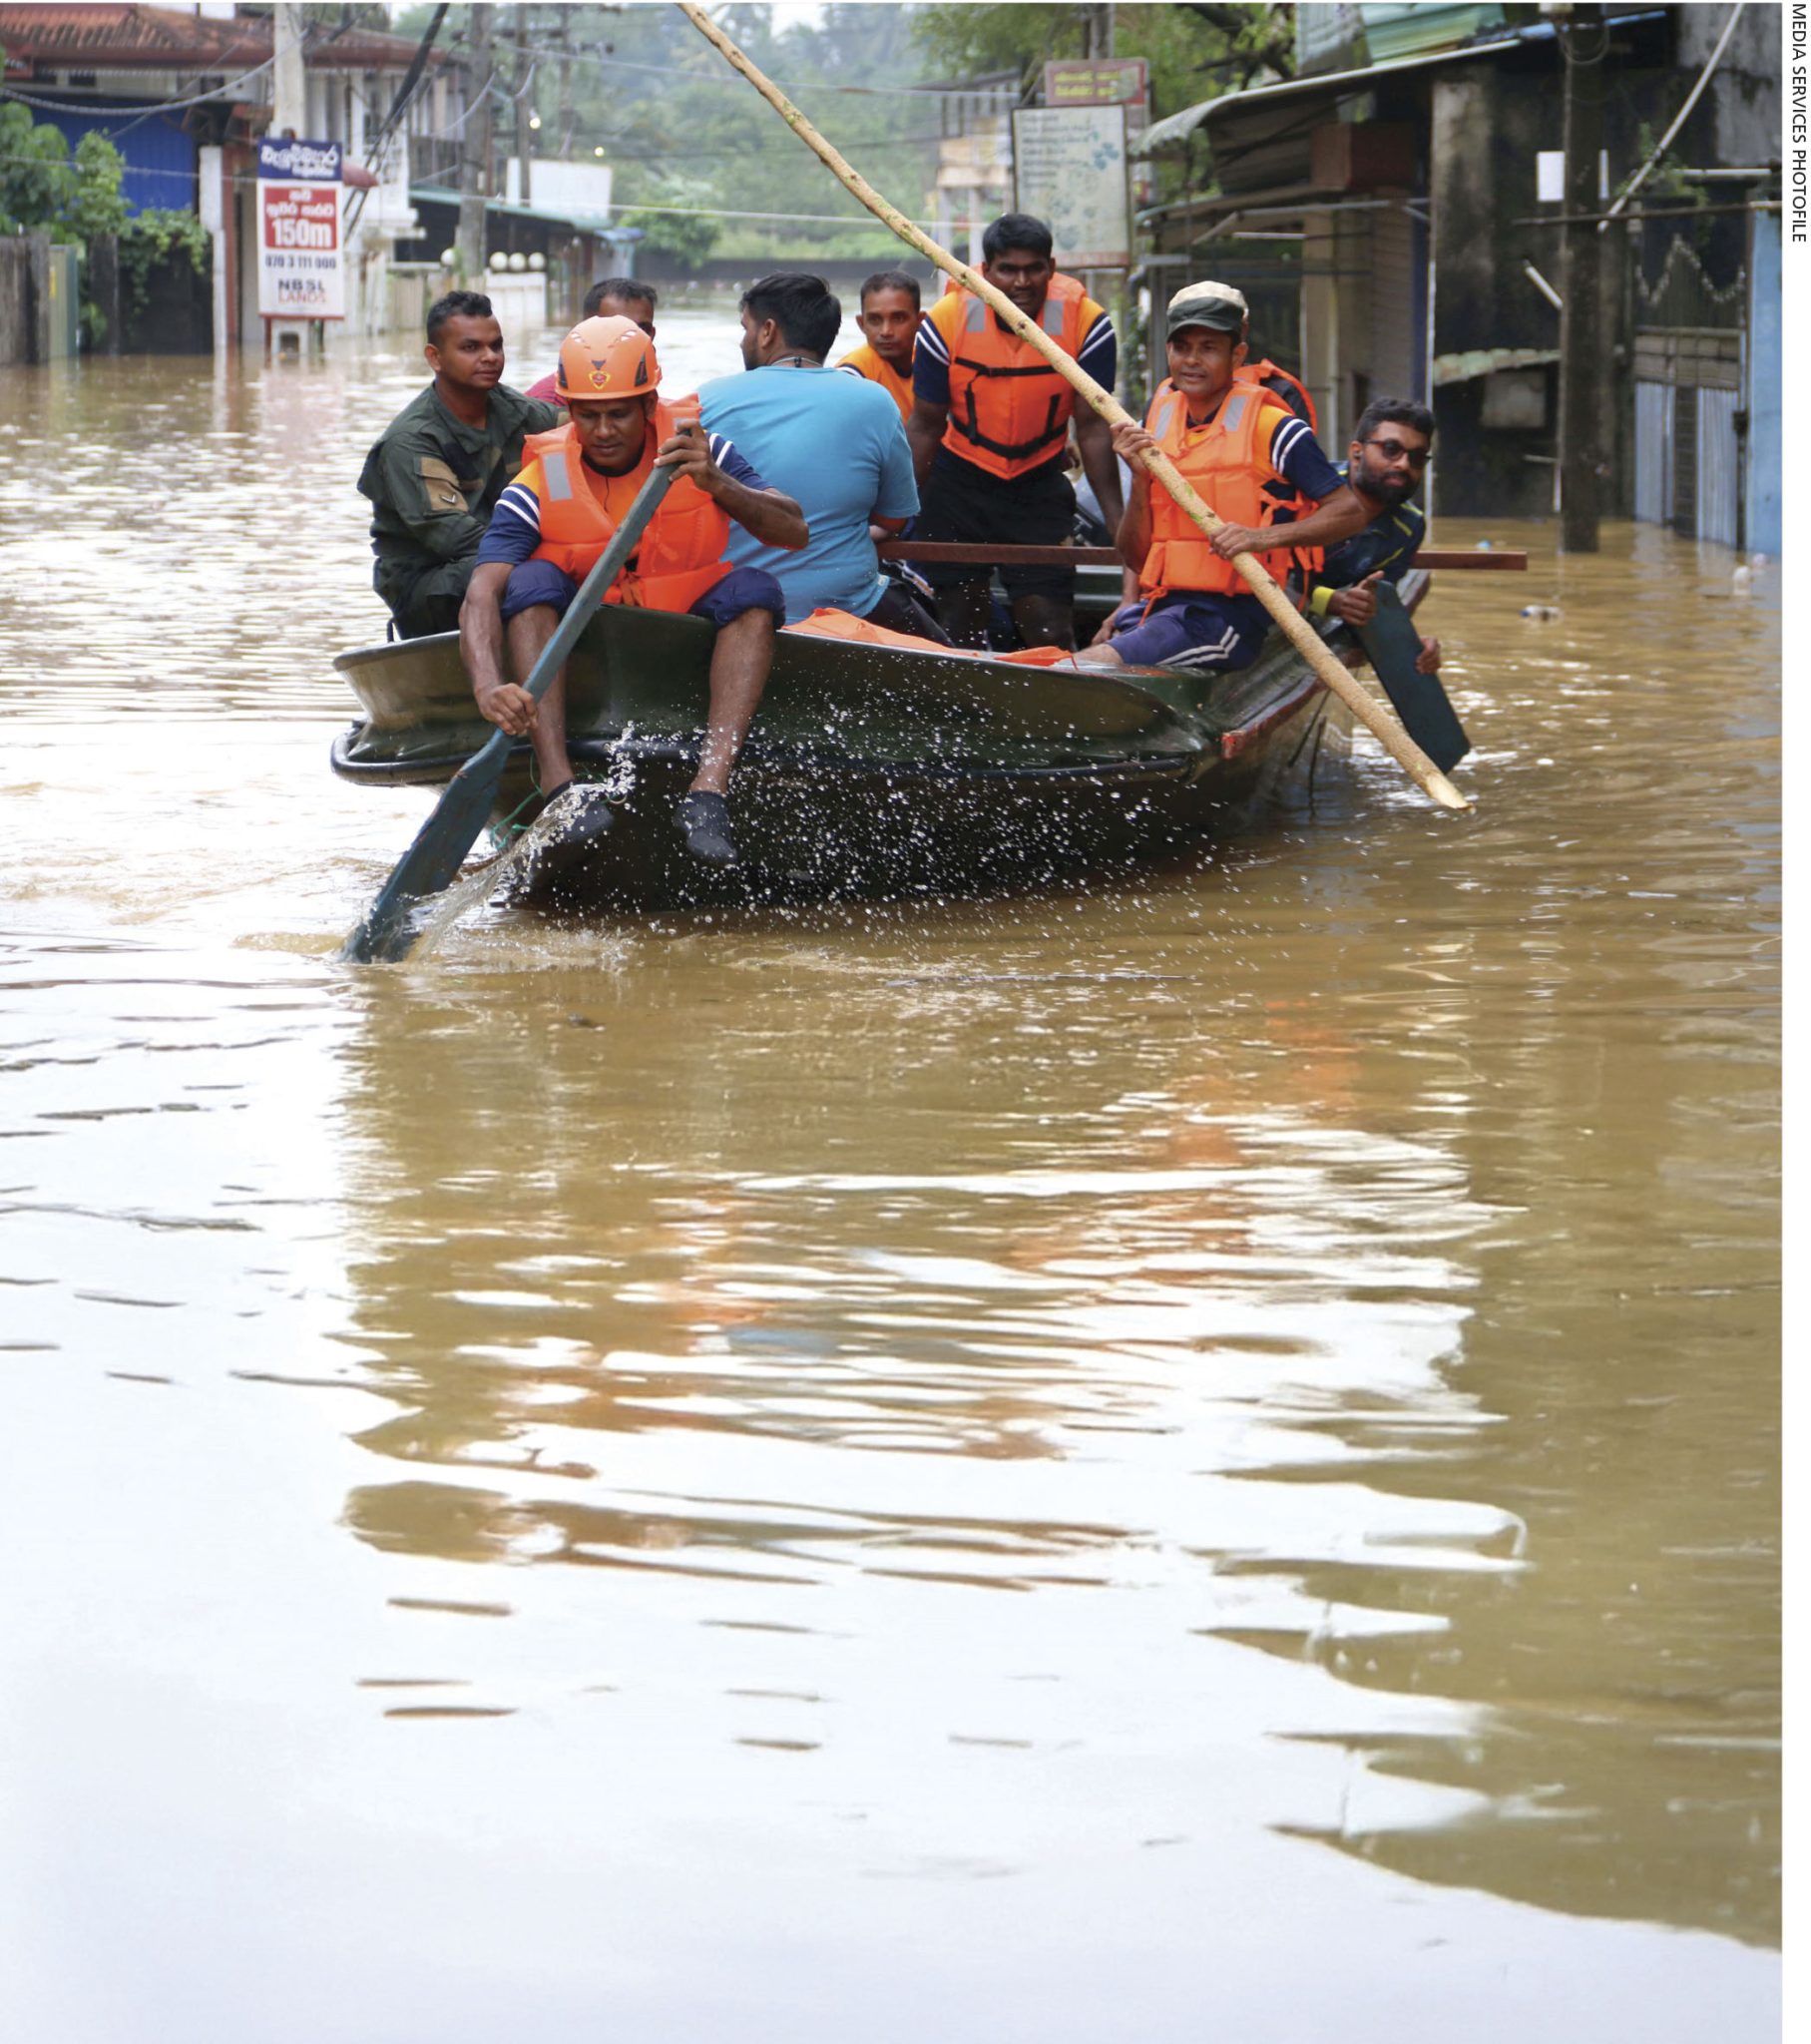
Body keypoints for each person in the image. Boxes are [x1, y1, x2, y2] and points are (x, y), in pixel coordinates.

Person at [460, 315, 807, 868]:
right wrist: (486, 686)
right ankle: (558, 787)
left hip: (683, 617)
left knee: (756, 589)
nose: (602, 431)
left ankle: (708, 792)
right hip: (594, 633)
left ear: (649, 404)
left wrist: (717, 483)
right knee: (526, 582)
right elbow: (482, 592)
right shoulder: (538, 482)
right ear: (568, 410)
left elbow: (793, 530)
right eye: (588, 415)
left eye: (618, 413)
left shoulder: (704, 449)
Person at [1084, 279, 1370, 674]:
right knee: (1090, 656)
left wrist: (1260, 537)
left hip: (1229, 618)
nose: (1192, 361)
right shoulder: (1155, 421)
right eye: (1181, 348)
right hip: (1161, 606)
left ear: (1238, 354)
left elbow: (1350, 512)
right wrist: (1140, 481)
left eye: (1208, 348)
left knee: (1093, 666)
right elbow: (1136, 555)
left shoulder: (1278, 429)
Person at [907, 213, 1124, 651]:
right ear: (986, 272)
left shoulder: (1089, 324)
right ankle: (966, 709)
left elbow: (1095, 430)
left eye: (1034, 269)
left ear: (1051, 268)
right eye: (1008, 270)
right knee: (959, 625)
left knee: (1049, 628)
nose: (1021, 282)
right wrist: (891, 516)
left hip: (1038, 482)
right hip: (959, 481)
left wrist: (1120, 527)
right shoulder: (944, 322)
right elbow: (926, 426)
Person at [696, 272, 947, 643]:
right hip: (850, 605)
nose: (743, 340)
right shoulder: (876, 401)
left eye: (745, 328)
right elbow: (892, 518)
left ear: (767, 332)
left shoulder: (704, 401)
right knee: (956, 666)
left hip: (734, 610)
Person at [357, 289, 561, 639]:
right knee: (521, 570)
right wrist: (557, 556)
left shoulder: (516, 410)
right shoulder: (412, 441)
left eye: (496, 346)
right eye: (471, 348)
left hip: (508, 558)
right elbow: (457, 539)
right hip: (430, 586)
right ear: (435, 358)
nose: (490, 357)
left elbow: (575, 441)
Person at [1308, 398, 1442, 675]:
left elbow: (1373, 604)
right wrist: (1330, 601)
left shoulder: (1408, 527)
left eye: (1416, 458)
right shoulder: (1306, 490)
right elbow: (1261, 577)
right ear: (1356, 453)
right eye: (1391, 450)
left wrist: (1410, 643)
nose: (1404, 464)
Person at [524, 277, 658, 402]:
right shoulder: (548, 403)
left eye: (642, 330)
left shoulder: (648, 392)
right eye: (618, 330)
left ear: (651, 335)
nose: (633, 339)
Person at [835, 269, 920, 425]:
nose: (886, 331)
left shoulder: (928, 364)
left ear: (920, 321)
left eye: (898, 318)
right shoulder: (851, 376)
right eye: (875, 320)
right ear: (862, 324)